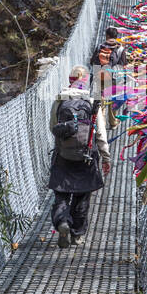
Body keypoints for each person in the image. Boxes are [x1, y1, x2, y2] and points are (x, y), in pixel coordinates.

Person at [48, 64, 111, 248]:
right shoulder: (92, 102)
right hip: (86, 157)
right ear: (86, 82)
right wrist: (106, 157)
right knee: (82, 196)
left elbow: (53, 127)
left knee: (61, 195)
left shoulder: (60, 100)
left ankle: (62, 222)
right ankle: (77, 235)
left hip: (63, 157)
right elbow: (100, 133)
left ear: (70, 80)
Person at [93, 27, 127, 129]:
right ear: (116, 37)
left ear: (107, 36)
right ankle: (113, 123)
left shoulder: (100, 46)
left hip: (101, 77)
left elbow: (93, 61)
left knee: (101, 100)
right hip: (115, 79)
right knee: (114, 100)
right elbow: (123, 65)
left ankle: (100, 124)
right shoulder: (121, 49)